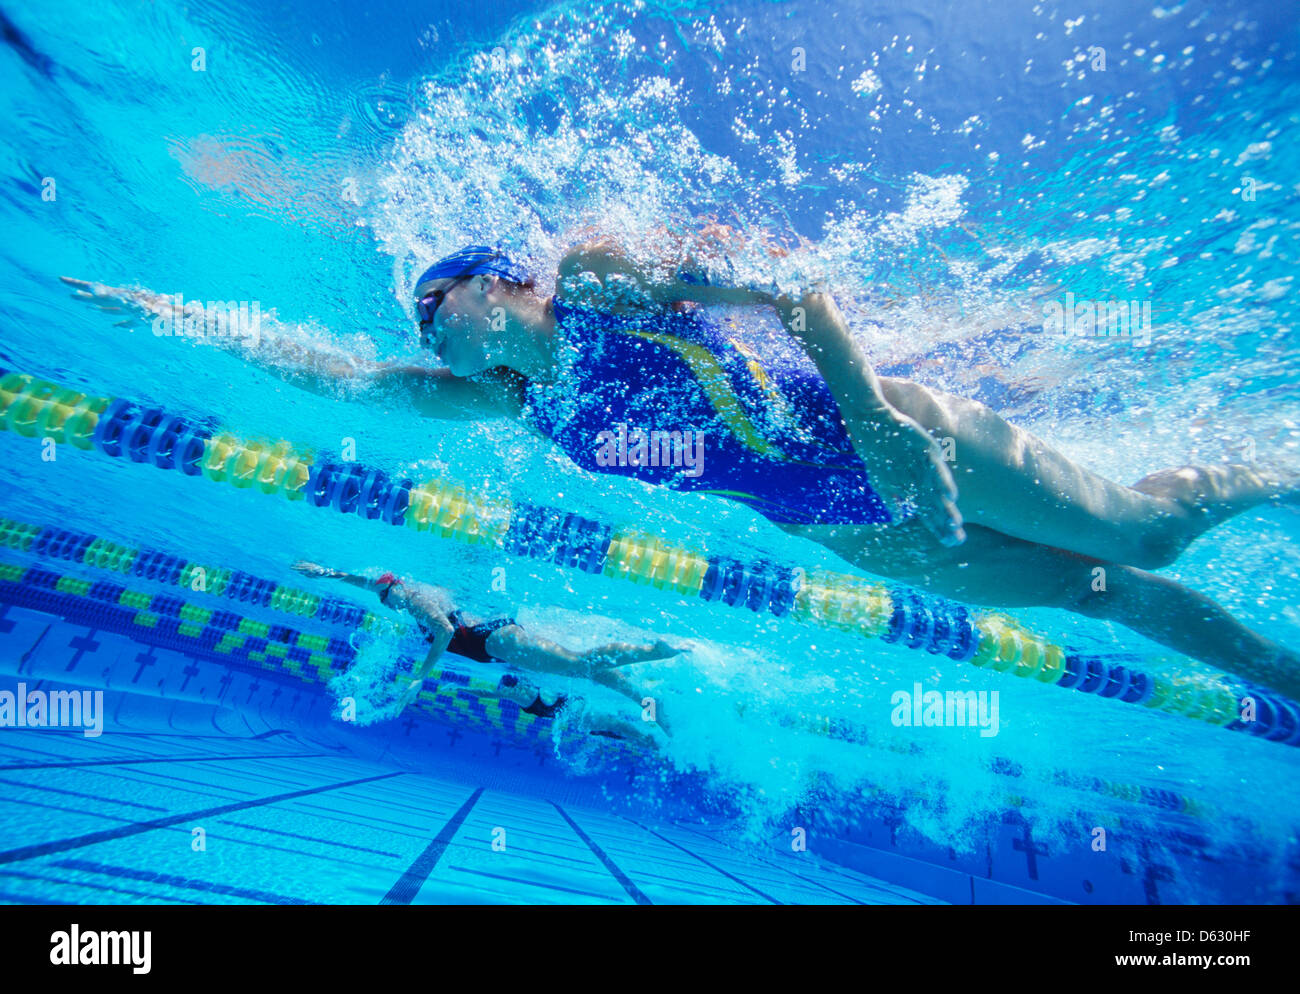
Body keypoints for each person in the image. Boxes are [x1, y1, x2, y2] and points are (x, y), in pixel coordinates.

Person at [63, 231, 1300, 699]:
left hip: (895, 430)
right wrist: (172, 313)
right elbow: (332, 374)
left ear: (502, 278)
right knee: (1109, 602)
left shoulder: (599, 276)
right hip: (841, 523)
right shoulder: (514, 411)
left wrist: (873, 418)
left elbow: (791, 288)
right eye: (415, 321)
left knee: (1140, 537)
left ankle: (1272, 462)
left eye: (433, 300)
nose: (421, 327)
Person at [291, 561, 681, 739]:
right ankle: (645, 698)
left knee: (578, 665)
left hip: (494, 640)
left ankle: (654, 649)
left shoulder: (412, 599)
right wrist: (325, 573)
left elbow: (443, 631)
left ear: (393, 589)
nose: (384, 604)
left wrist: (418, 680)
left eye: (383, 597)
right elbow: (364, 582)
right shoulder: (403, 591)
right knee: (581, 669)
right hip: (498, 644)